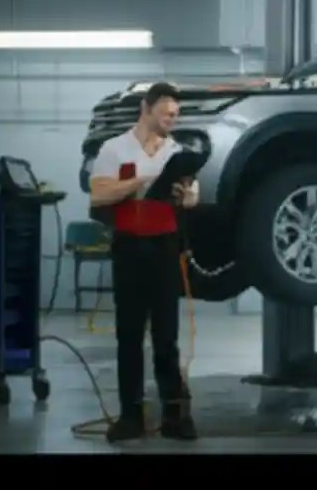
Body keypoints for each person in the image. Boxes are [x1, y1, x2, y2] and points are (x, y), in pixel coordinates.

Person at [89, 81, 199, 443]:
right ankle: (131, 416)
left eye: (176, 115)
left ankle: (173, 415)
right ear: (147, 109)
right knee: (130, 335)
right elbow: (99, 193)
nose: (171, 119)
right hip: (130, 249)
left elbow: (191, 198)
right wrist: (141, 181)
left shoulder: (177, 151)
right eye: (166, 113)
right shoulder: (114, 149)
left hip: (165, 248)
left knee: (167, 336)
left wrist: (188, 196)